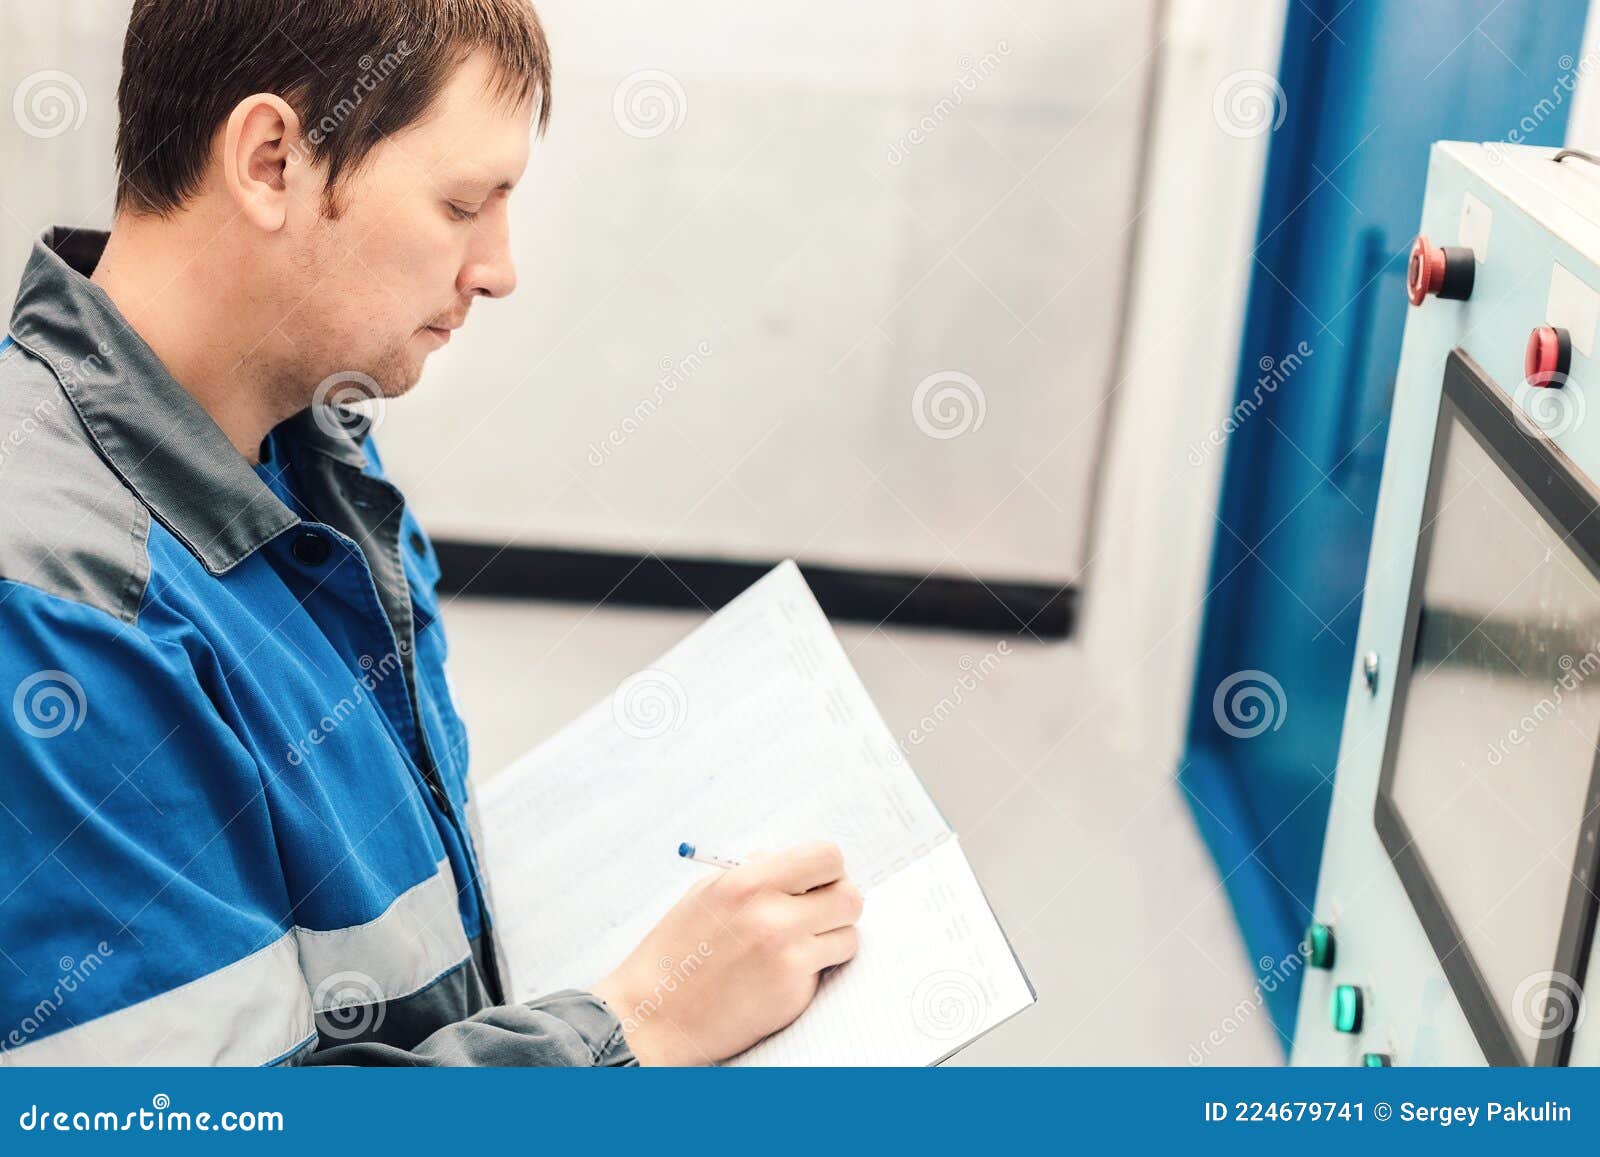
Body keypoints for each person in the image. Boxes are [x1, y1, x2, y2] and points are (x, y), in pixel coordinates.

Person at [0, 0, 861, 1067]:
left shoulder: (318, 469)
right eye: (463, 203)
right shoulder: (53, 604)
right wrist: (637, 1025)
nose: (499, 269)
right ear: (271, 161)